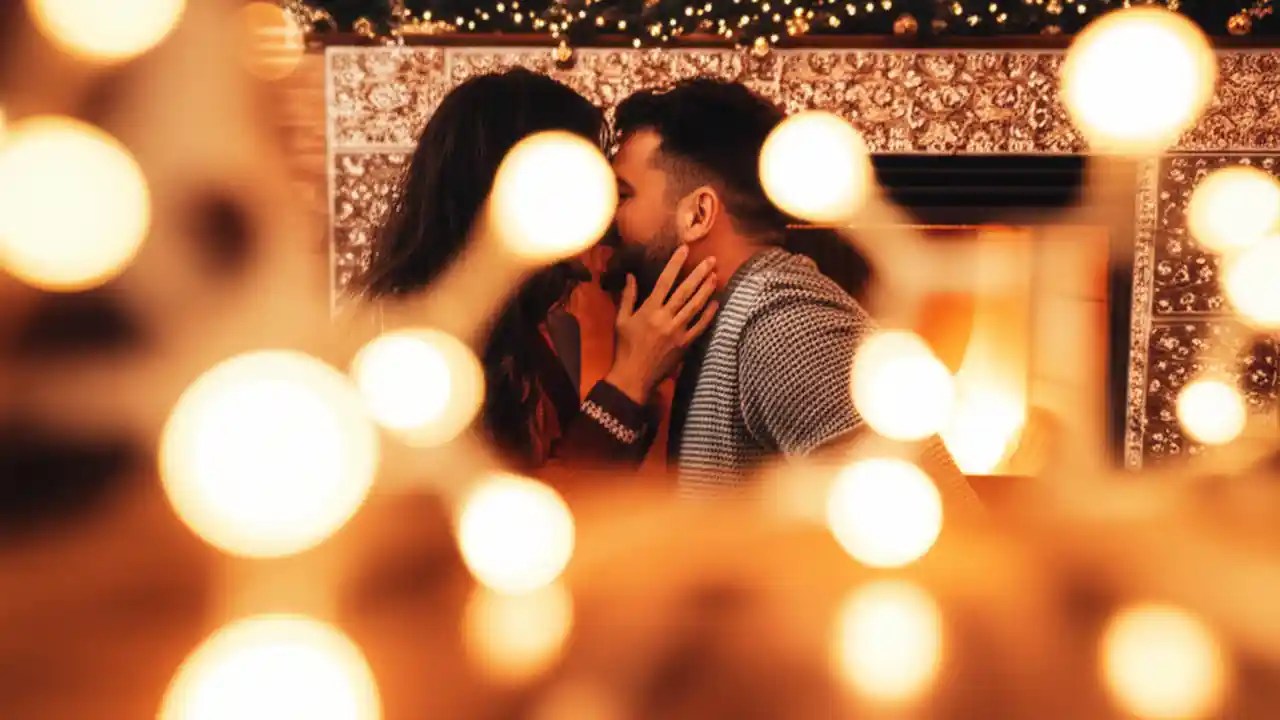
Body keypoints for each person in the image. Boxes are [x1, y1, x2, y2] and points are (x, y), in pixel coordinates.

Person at [603, 78, 978, 508]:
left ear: (698, 213)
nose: (608, 219)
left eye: (624, 195)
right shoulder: (728, 318)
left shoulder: (784, 326)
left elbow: (934, 525)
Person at [357, 68, 717, 472]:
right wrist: (629, 381)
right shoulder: (422, 348)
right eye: (592, 187)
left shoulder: (537, 328)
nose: (608, 216)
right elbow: (512, 520)